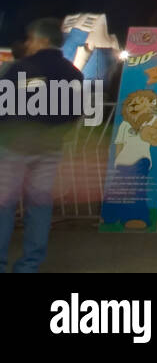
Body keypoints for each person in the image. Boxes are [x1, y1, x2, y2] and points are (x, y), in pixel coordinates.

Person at [0, 18, 85, 272]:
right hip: (49, 147)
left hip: (14, 145)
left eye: (31, 38)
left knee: (5, 204)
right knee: (39, 206)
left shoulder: (19, 69)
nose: (28, 43)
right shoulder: (73, 74)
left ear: (42, 40)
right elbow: (75, 113)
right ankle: (29, 265)